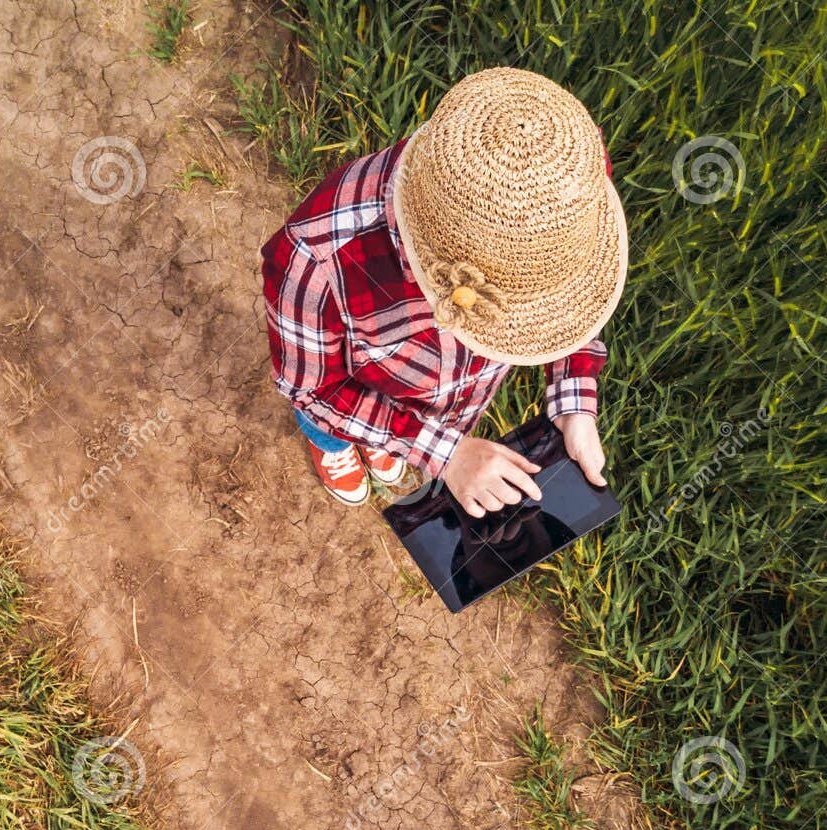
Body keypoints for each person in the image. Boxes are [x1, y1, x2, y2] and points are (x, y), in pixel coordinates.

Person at [260, 67, 628, 516]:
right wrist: (446, 453)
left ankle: (389, 445)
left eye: (533, 306)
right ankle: (336, 445)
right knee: (332, 426)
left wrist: (575, 402)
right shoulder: (317, 258)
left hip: (444, 403)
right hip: (352, 391)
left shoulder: (566, 178)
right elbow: (316, 390)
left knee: (393, 442)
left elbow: (570, 297)